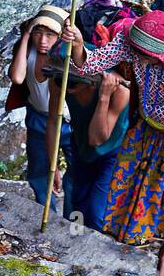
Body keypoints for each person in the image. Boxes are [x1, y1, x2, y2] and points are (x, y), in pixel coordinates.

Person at [66, 11, 164, 276]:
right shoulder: (131, 41)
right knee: (126, 182)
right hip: (143, 128)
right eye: (136, 54)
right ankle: (123, 235)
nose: (137, 59)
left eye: (145, 57)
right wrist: (79, 45)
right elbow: (91, 65)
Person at [9, 4, 74, 217]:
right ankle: (49, 214)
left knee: (76, 171)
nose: (43, 41)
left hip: (67, 123)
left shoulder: (67, 57)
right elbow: (17, 77)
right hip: (38, 117)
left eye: (49, 35)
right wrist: (26, 36)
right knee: (38, 171)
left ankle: (72, 217)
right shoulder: (28, 51)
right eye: (38, 33)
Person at [52, 67, 131, 232]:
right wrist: (51, 165)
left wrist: (104, 97)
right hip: (81, 149)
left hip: (111, 154)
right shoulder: (61, 81)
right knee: (77, 203)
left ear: (91, 85)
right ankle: (75, 240)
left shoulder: (119, 92)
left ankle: (96, 249)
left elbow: (96, 139)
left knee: (97, 212)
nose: (69, 91)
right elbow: (53, 121)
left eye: (74, 88)